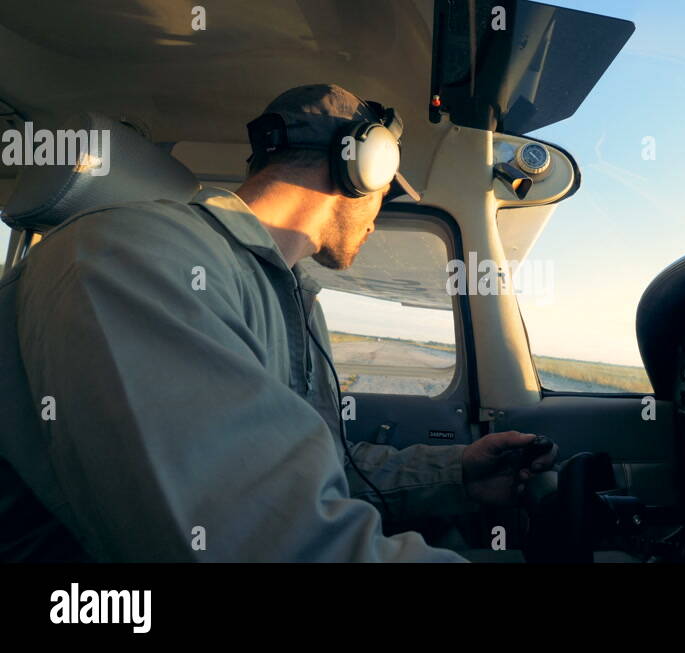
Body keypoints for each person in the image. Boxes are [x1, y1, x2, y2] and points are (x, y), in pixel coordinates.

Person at [7, 84, 557, 562]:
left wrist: (455, 472)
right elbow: (248, 539)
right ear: (366, 165)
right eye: (386, 187)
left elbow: (306, 477)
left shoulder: (292, 297)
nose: (381, 208)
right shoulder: (135, 256)